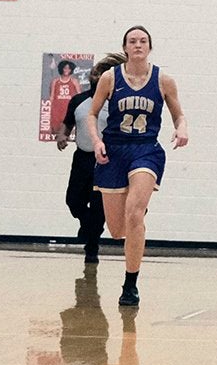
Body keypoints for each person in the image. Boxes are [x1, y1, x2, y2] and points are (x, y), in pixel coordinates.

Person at [85, 27, 188, 308]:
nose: (138, 45)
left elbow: (179, 115)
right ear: (126, 47)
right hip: (114, 151)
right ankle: (136, 208)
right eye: (133, 41)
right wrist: (96, 141)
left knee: (134, 214)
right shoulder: (110, 78)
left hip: (146, 150)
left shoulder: (163, 80)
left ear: (150, 47)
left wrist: (182, 129)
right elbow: (92, 114)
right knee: (117, 230)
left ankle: (130, 285)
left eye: (143, 41)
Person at [55, 71, 106, 264]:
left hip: (105, 160)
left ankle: (92, 247)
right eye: (94, 74)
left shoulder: (116, 102)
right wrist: (62, 135)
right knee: (73, 200)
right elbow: (67, 124)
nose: (96, 76)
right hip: (82, 158)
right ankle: (86, 225)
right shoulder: (78, 100)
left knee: (98, 207)